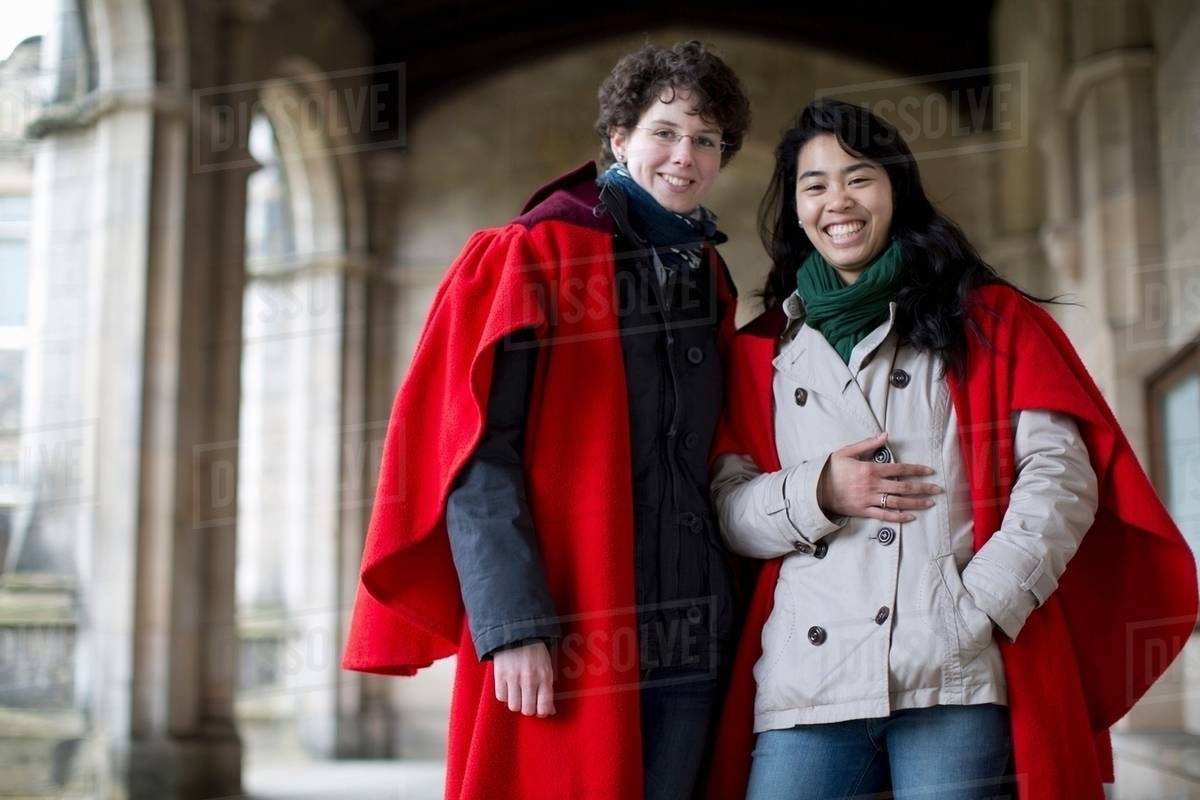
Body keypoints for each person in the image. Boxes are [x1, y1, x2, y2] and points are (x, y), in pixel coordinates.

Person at [705, 99, 1198, 800]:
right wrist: (819, 491)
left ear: (895, 188)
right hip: (806, 681)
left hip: (953, 674)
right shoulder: (762, 353)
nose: (837, 201)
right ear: (796, 209)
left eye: (859, 177)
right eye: (814, 186)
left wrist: (979, 609)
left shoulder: (988, 318)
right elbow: (729, 507)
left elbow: (1059, 476)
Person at [343, 41, 751, 800]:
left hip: (695, 634)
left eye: (706, 140)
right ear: (619, 137)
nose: (684, 156)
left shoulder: (710, 275)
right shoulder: (537, 252)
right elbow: (476, 454)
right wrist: (513, 626)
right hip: (573, 623)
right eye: (665, 131)